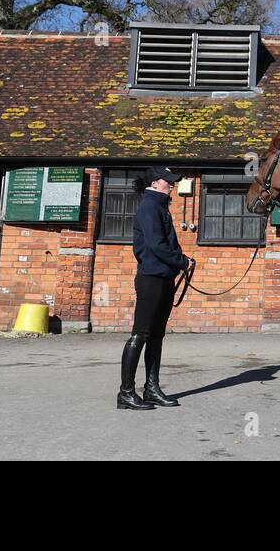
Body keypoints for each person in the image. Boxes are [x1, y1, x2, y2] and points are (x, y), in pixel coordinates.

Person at [117, 165, 193, 410]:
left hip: (163, 277)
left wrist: (182, 261)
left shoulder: (160, 205)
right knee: (141, 333)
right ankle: (126, 392)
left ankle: (151, 388)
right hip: (151, 277)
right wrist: (183, 262)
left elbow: (167, 243)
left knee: (156, 336)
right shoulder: (150, 206)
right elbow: (157, 246)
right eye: (168, 181)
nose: (172, 184)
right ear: (155, 183)